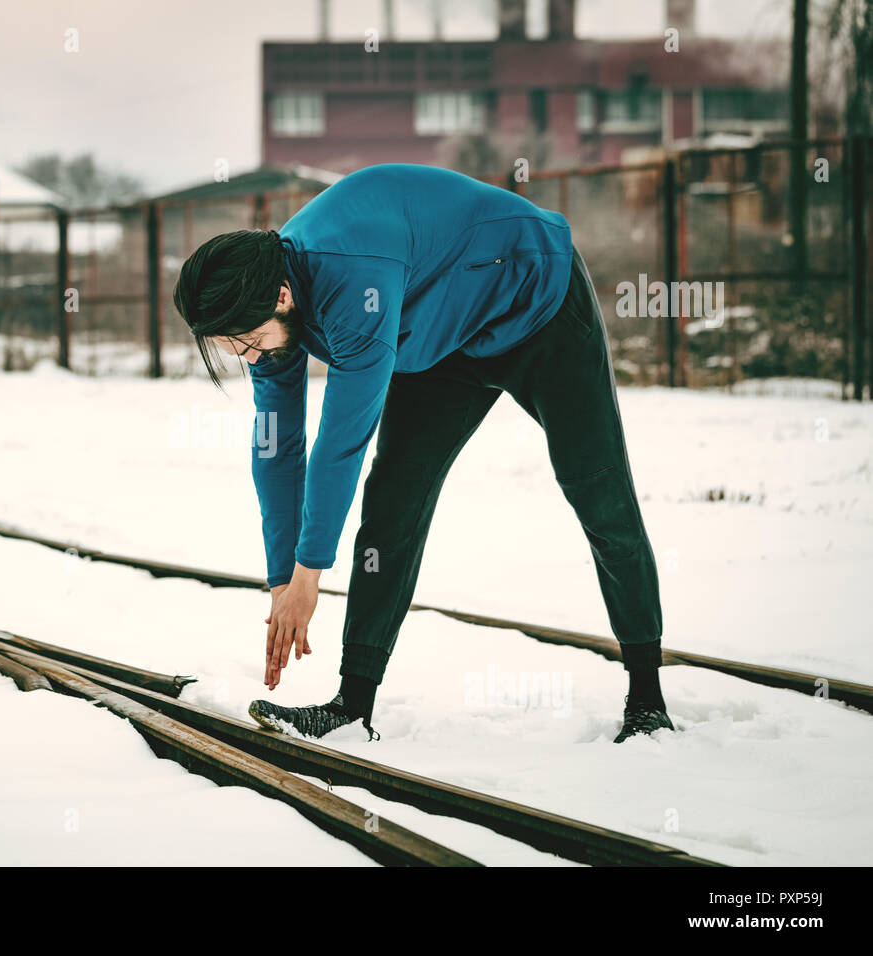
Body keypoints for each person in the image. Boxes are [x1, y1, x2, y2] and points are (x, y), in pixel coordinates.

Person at [171, 163, 672, 744]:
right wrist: (283, 576)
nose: (251, 359)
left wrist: (312, 571)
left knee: (597, 486)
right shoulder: (261, 310)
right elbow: (278, 446)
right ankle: (352, 705)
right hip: (439, 341)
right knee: (392, 504)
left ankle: (647, 696)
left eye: (251, 343)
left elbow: (341, 441)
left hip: (538, 303)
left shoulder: (351, 283)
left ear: (282, 296)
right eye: (237, 351)